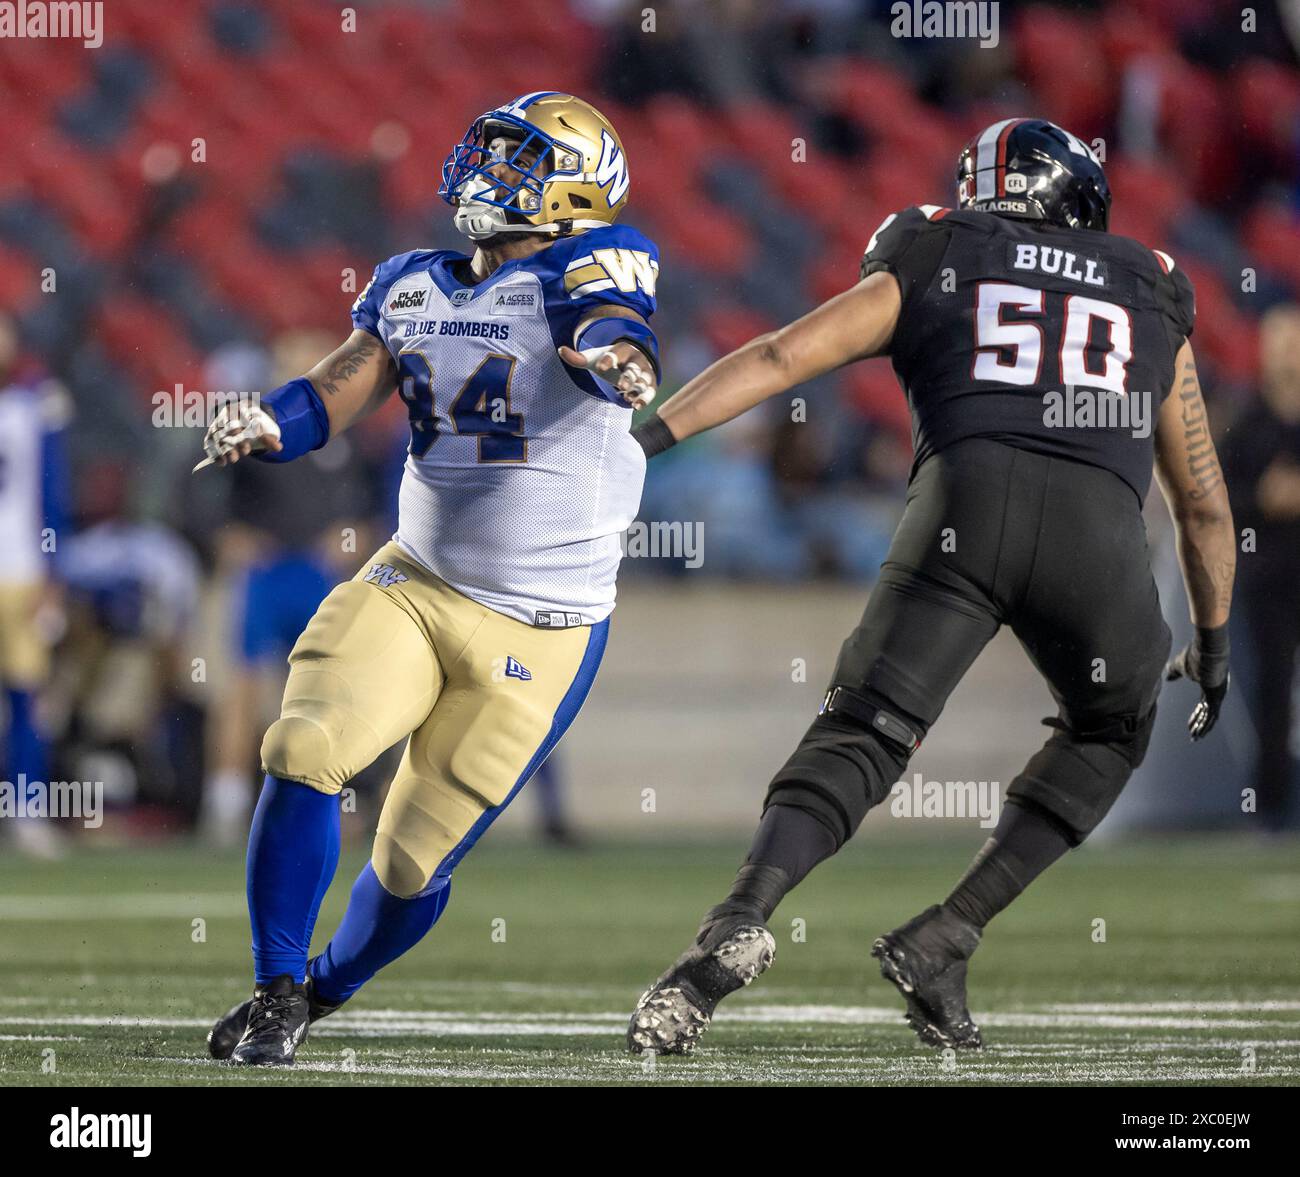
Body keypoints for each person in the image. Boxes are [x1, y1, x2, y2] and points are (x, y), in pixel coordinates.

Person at [626, 119, 1235, 1054]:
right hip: (1097, 536)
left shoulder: (937, 244)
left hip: (963, 505)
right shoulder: (1150, 283)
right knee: (1113, 725)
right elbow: (1199, 502)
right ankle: (951, 930)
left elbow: (784, 358)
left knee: (866, 725)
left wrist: (645, 443)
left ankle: (739, 916)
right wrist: (1215, 637)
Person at [200, 92, 662, 1066]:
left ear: (577, 185)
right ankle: (275, 983)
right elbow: (345, 378)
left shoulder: (592, 263)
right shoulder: (411, 283)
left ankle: (320, 992)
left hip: (546, 622)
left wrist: (620, 356)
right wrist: (277, 420)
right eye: (490, 152)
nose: (490, 172)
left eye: (521, 159)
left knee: (409, 864)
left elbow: (610, 325)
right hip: (415, 580)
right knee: (303, 745)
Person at [1221, 304, 1300, 831]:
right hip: (1268, 579)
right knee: (1271, 692)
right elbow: (1217, 497)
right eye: (1282, 345)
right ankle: (1270, 809)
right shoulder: (1246, 421)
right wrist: (1264, 499)